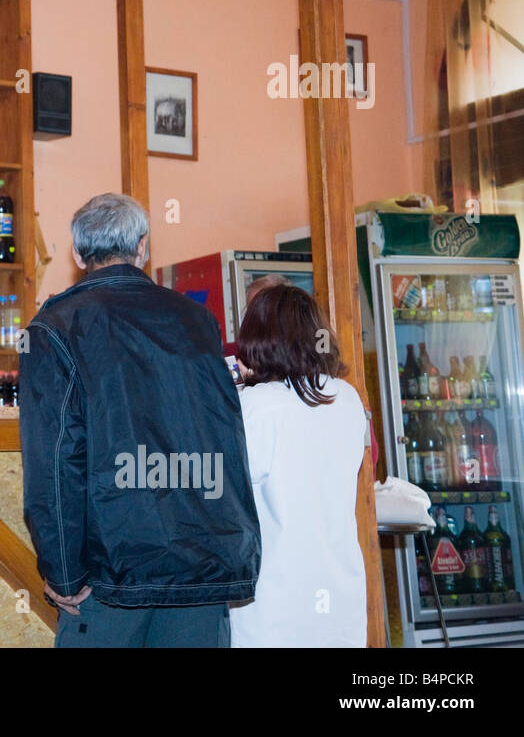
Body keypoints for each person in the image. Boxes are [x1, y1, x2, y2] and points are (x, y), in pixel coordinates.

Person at [19, 193, 261, 647]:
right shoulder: (199, 321)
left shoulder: (53, 328)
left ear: (77, 254)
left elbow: (53, 462)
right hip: (201, 568)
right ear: (143, 247)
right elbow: (227, 437)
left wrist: (64, 572)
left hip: (111, 577)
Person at [229, 284, 368, 647]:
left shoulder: (254, 408)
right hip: (341, 601)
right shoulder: (347, 398)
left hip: (274, 608)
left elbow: (219, 490)